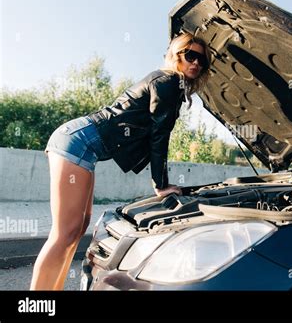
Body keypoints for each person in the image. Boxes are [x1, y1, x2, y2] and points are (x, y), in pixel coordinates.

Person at [30, 32, 211, 290]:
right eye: (190, 55)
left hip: (84, 146)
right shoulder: (168, 80)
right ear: (176, 55)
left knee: (78, 228)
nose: (196, 63)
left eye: (202, 60)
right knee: (64, 233)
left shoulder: (171, 84)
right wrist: (161, 185)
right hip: (76, 141)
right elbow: (159, 137)